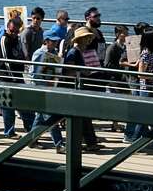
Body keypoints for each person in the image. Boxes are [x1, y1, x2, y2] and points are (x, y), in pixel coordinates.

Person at [62, 26, 105, 151]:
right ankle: (82, 143)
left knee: (85, 117)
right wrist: (83, 72)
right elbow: (68, 72)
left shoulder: (79, 52)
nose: (88, 41)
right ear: (80, 40)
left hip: (79, 87)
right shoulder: (73, 52)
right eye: (86, 38)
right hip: (74, 88)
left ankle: (89, 142)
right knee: (81, 117)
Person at [29, 24, 67, 153]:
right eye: (53, 41)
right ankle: (59, 144)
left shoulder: (55, 53)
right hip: (41, 89)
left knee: (40, 116)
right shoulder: (39, 53)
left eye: (56, 41)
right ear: (46, 41)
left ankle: (32, 139)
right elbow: (33, 73)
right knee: (50, 115)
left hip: (50, 88)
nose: (55, 43)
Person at [132, 29, 153, 155]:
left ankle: (135, 142)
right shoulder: (145, 54)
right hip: (148, 90)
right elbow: (141, 74)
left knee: (147, 119)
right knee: (152, 120)